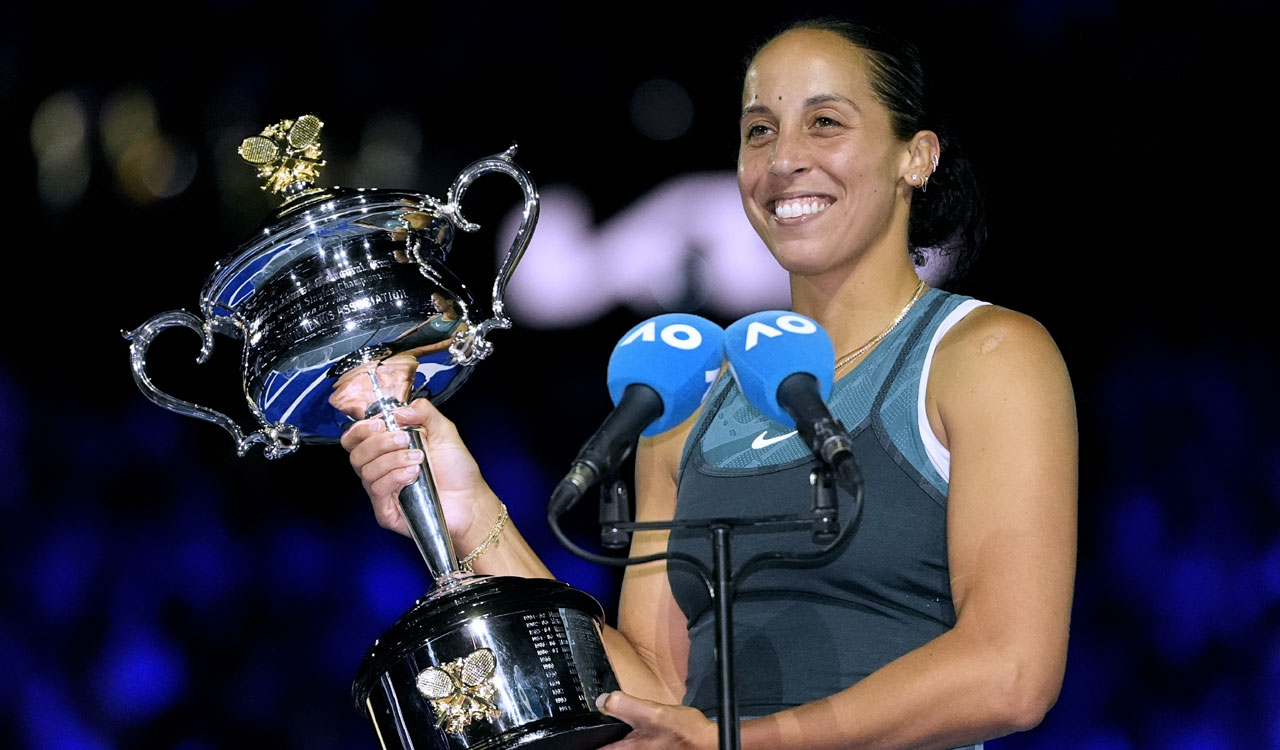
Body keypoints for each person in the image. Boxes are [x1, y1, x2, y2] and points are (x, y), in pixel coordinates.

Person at [337, 19, 1076, 750]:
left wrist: (741, 741)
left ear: (916, 156)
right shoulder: (687, 401)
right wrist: (471, 516)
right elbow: (656, 697)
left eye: (824, 122)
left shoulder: (985, 355)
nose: (784, 158)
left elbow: (1010, 674)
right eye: (759, 131)